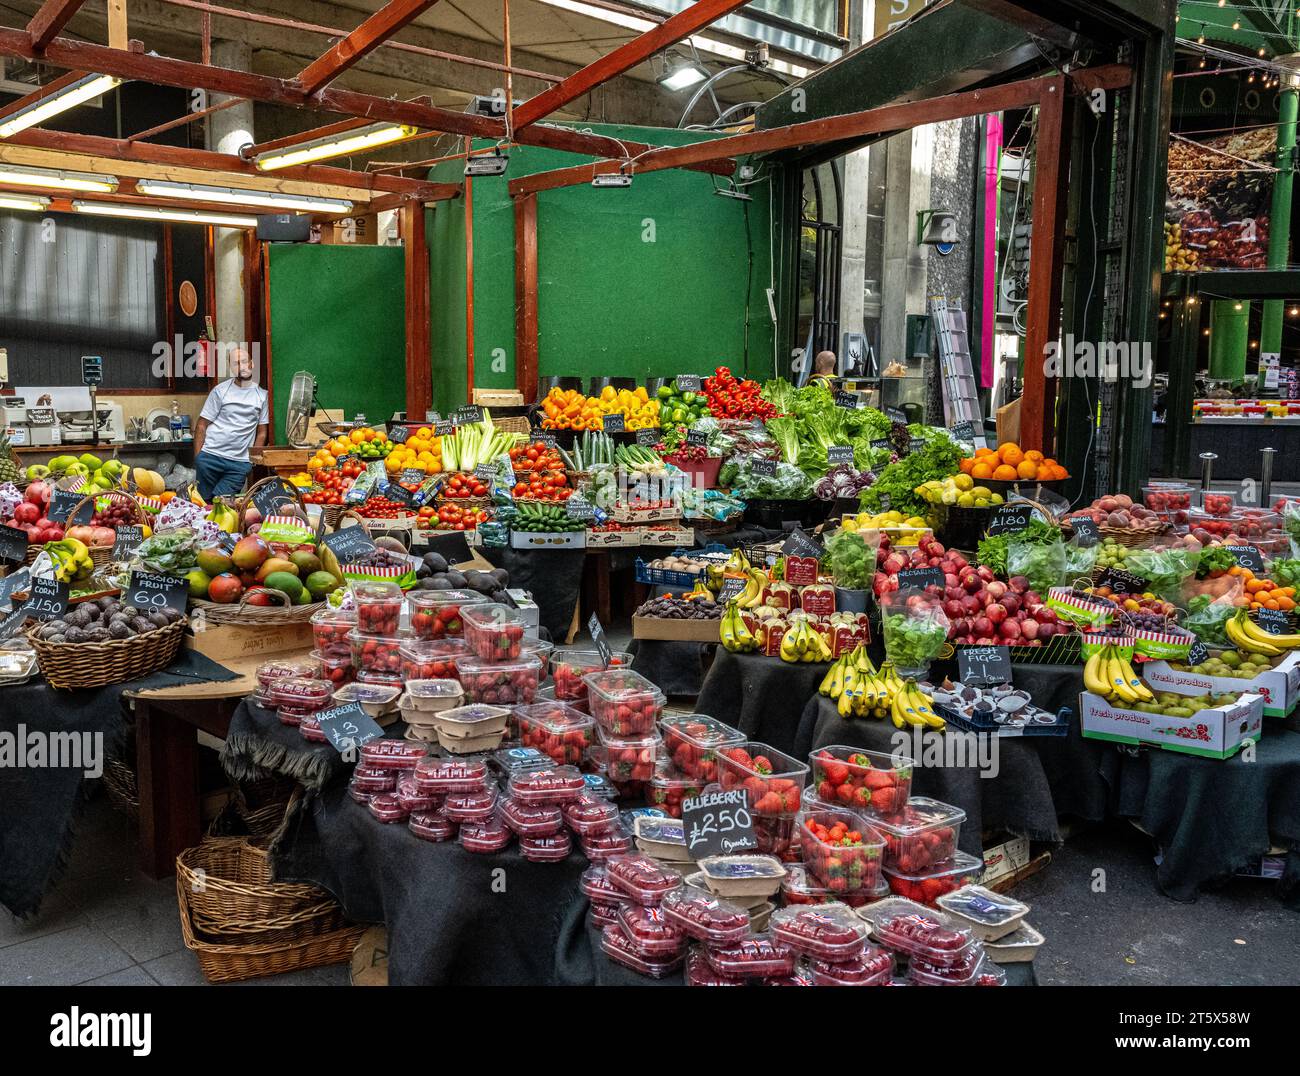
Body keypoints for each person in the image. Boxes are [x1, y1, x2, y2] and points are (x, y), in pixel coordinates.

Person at [194, 347, 269, 500]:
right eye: (236, 363)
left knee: (222, 505)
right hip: (210, 458)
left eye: (244, 361)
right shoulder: (220, 391)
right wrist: (198, 458)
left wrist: (251, 461)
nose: (241, 366)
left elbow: (262, 432)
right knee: (202, 505)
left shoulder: (262, 396)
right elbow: (202, 424)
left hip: (239, 464)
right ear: (231, 368)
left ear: (252, 364)